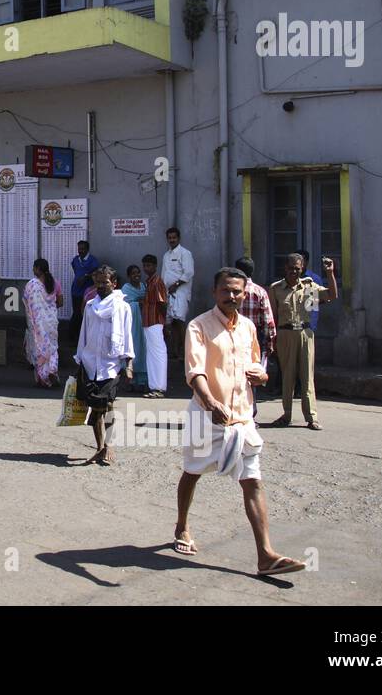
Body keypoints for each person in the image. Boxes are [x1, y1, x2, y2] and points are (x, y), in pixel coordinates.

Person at [174, 267, 307, 578]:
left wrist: (262, 375)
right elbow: (195, 372)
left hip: (242, 418)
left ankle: (266, 555)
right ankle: (182, 526)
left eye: (237, 291)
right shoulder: (199, 326)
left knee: (253, 481)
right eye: (226, 291)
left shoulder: (247, 327)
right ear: (214, 292)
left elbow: (257, 365)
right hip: (207, 417)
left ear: (245, 294)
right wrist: (210, 402)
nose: (232, 296)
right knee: (192, 472)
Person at [268, 253, 339, 431]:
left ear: (302, 269)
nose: (294, 272)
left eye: (297, 268)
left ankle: (311, 417)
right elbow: (273, 317)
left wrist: (330, 273)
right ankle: (287, 414)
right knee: (287, 377)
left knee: (307, 377)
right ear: (285, 268)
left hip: (305, 333)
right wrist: (273, 341)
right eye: (291, 268)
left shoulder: (308, 286)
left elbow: (331, 295)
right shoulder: (276, 288)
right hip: (285, 333)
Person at [74, 266, 134, 466]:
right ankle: (100, 447)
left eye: (104, 282)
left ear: (114, 283)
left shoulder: (122, 307)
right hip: (90, 363)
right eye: (97, 282)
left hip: (110, 364)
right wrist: (80, 357)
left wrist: (129, 362)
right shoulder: (90, 306)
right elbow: (84, 333)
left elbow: (127, 335)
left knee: (107, 405)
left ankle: (109, 445)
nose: (100, 286)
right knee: (95, 407)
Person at [235, 256, 276, 399]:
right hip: (254, 339)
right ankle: (250, 412)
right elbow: (268, 321)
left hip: (233, 335)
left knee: (234, 372)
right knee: (252, 374)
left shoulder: (232, 291)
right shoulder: (260, 292)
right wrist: (269, 343)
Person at [24, 258, 63, 389]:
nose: (33, 270)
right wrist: (48, 308)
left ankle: (43, 379)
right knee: (52, 347)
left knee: (39, 348)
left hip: (37, 323)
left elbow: (26, 300)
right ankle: (52, 370)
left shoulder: (32, 284)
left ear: (37, 269)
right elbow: (60, 302)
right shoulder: (55, 283)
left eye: (34, 267)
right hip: (51, 321)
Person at [162, 227, 194, 369]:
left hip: (180, 293)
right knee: (172, 322)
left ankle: (184, 352)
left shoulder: (185, 253)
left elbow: (189, 273)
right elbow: (164, 274)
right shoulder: (166, 255)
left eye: (174, 237)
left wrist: (176, 284)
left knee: (180, 322)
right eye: (169, 238)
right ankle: (174, 351)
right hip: (169, 293)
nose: (172, 240)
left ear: (178, 238)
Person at [140, 254, 169, 399]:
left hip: (155, 321)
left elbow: (162, 303)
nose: (147, 268)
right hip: (148, 321)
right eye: (145, 265)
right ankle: (154, 386)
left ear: (155, 266)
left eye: (149, 265)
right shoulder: (149, 281)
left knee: (157, 355)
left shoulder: (157, 281)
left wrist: (165, 321)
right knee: (152, 355)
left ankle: (159, 387)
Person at [68, 240, 100, 341]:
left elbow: (95, 272)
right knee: (76, 312)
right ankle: (74, 337)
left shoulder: (92, 260)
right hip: (76, 291)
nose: (80, 251)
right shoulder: (75, 260)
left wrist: (86, 277)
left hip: (87, 292)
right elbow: (75, 269)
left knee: (84, 315)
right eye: (79, 249)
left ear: (87, 249)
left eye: (82, 249)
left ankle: (82, 338)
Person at [122, 264, 148, 391]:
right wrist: (138, 304)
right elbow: (124, 306)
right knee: (132, 349)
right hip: (131, 325)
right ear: (128, 276)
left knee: (142, 350)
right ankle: (130, 381)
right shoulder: (126, 288)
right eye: (133, 273)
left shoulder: (144, 286)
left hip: (143, 323)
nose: (136, 275)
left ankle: (142, 381)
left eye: (138, 272)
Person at [296, 250, 326, 332]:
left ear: (307, 262)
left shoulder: (314, 279)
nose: (300, 263)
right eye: (297, 260)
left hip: (309, 322)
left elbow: (323, 298)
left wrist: (310, 301)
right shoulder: (290, 279)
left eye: (303, 260)